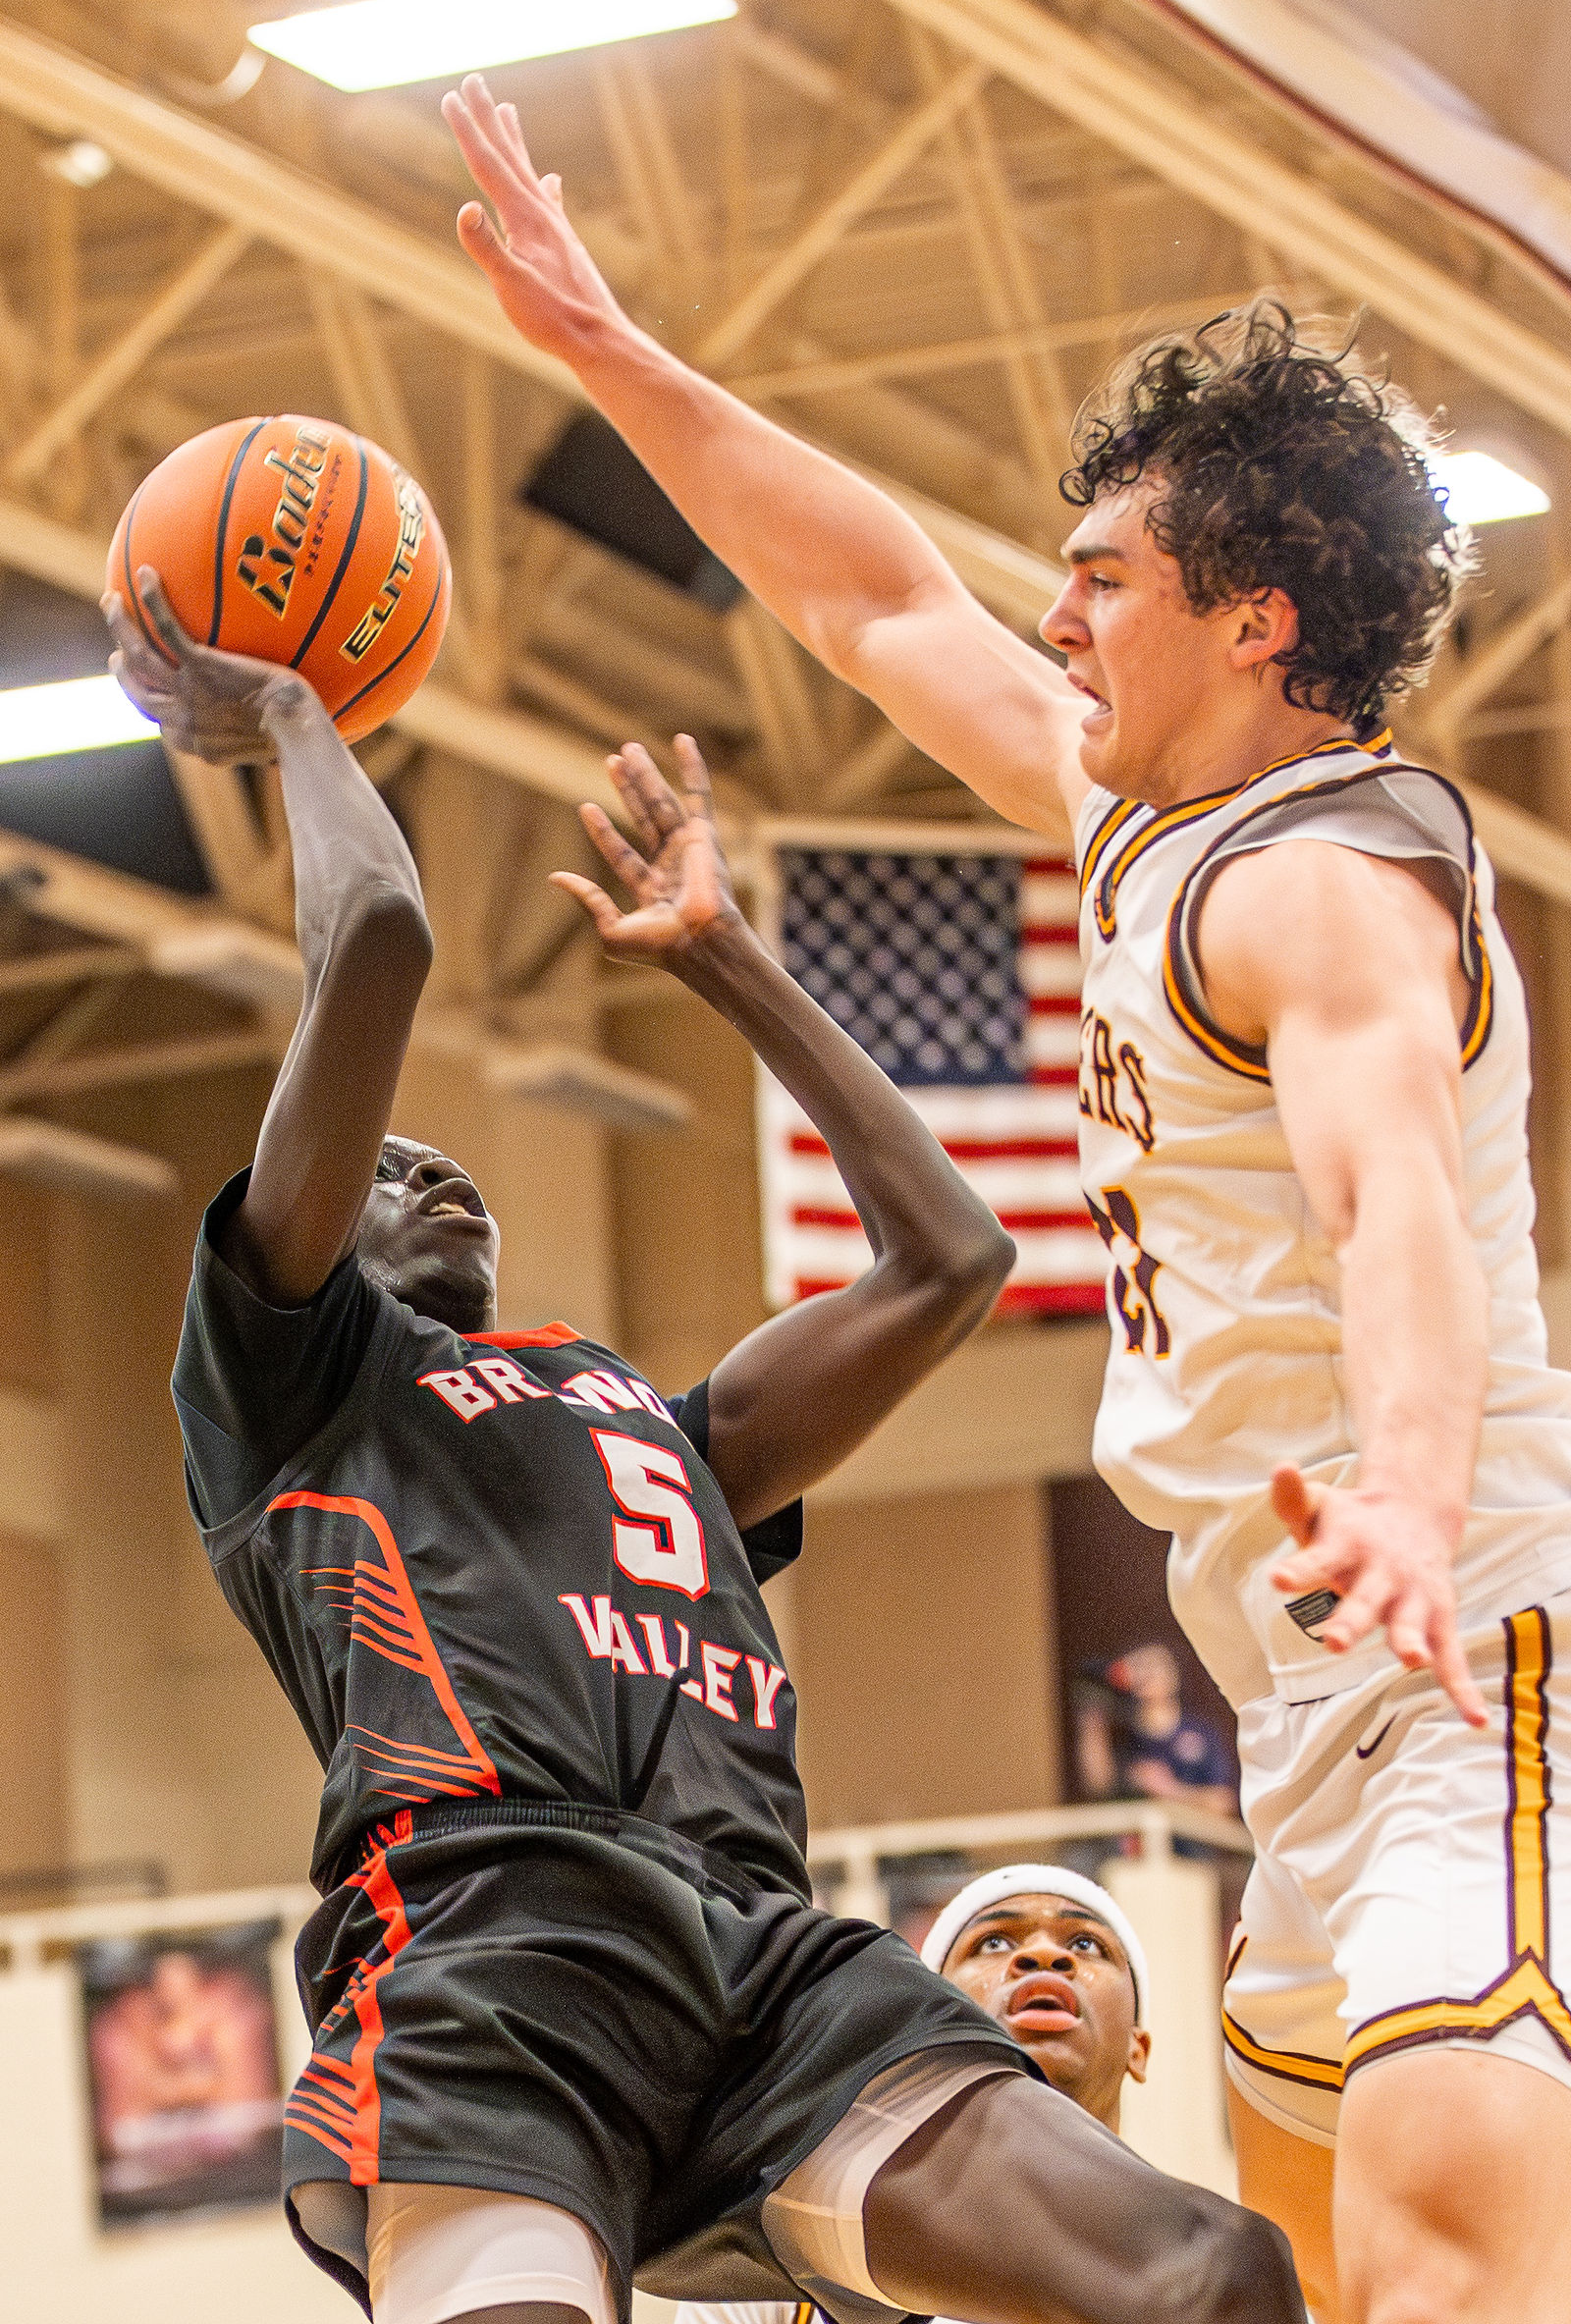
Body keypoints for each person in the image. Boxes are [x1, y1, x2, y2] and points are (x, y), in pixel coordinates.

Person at [441, 74, 1571, 2324]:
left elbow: (1391, 1212)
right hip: (1295, 1680)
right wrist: (605, 348)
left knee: (1452, 2243)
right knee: (1290, 2264)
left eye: (1103, 576)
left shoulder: (1327, 886)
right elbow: (871, 597)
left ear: (1251, 622)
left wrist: (1424, 1501)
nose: (1050, 608)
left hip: (1469, 1642)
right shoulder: (1137, 813)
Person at [105, 573, 1301, 2324]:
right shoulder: (293, 1389)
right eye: (377, 1167)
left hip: (762, 1958)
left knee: (1211, 2272)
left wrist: (729, 960)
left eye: (449, 1162)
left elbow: (951, 1259)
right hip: (491, 1935)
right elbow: (378, 946)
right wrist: (292, 711)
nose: (427, 1169)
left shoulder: (658, 1437)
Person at [677, 1865, 1153, 2324]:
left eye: (1086, 1943)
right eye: (993, 1942)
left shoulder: (1197, 2271)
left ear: (1139, 2046)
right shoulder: (786, 2251)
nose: (1044, 1955)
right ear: (931, 2029)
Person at [1076, 1646, 1236, 1821]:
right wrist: (1092, 1720)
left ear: (1173, 1676)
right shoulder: (1124, 1733)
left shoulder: (1201, 1734)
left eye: (1153, 1666)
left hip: (1189, 1842)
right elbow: (1099, 1785)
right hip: (1138, 1840)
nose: (1144, 1674)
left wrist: (1171, 1790)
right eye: (1137, 1667)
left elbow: (1224, 1803)